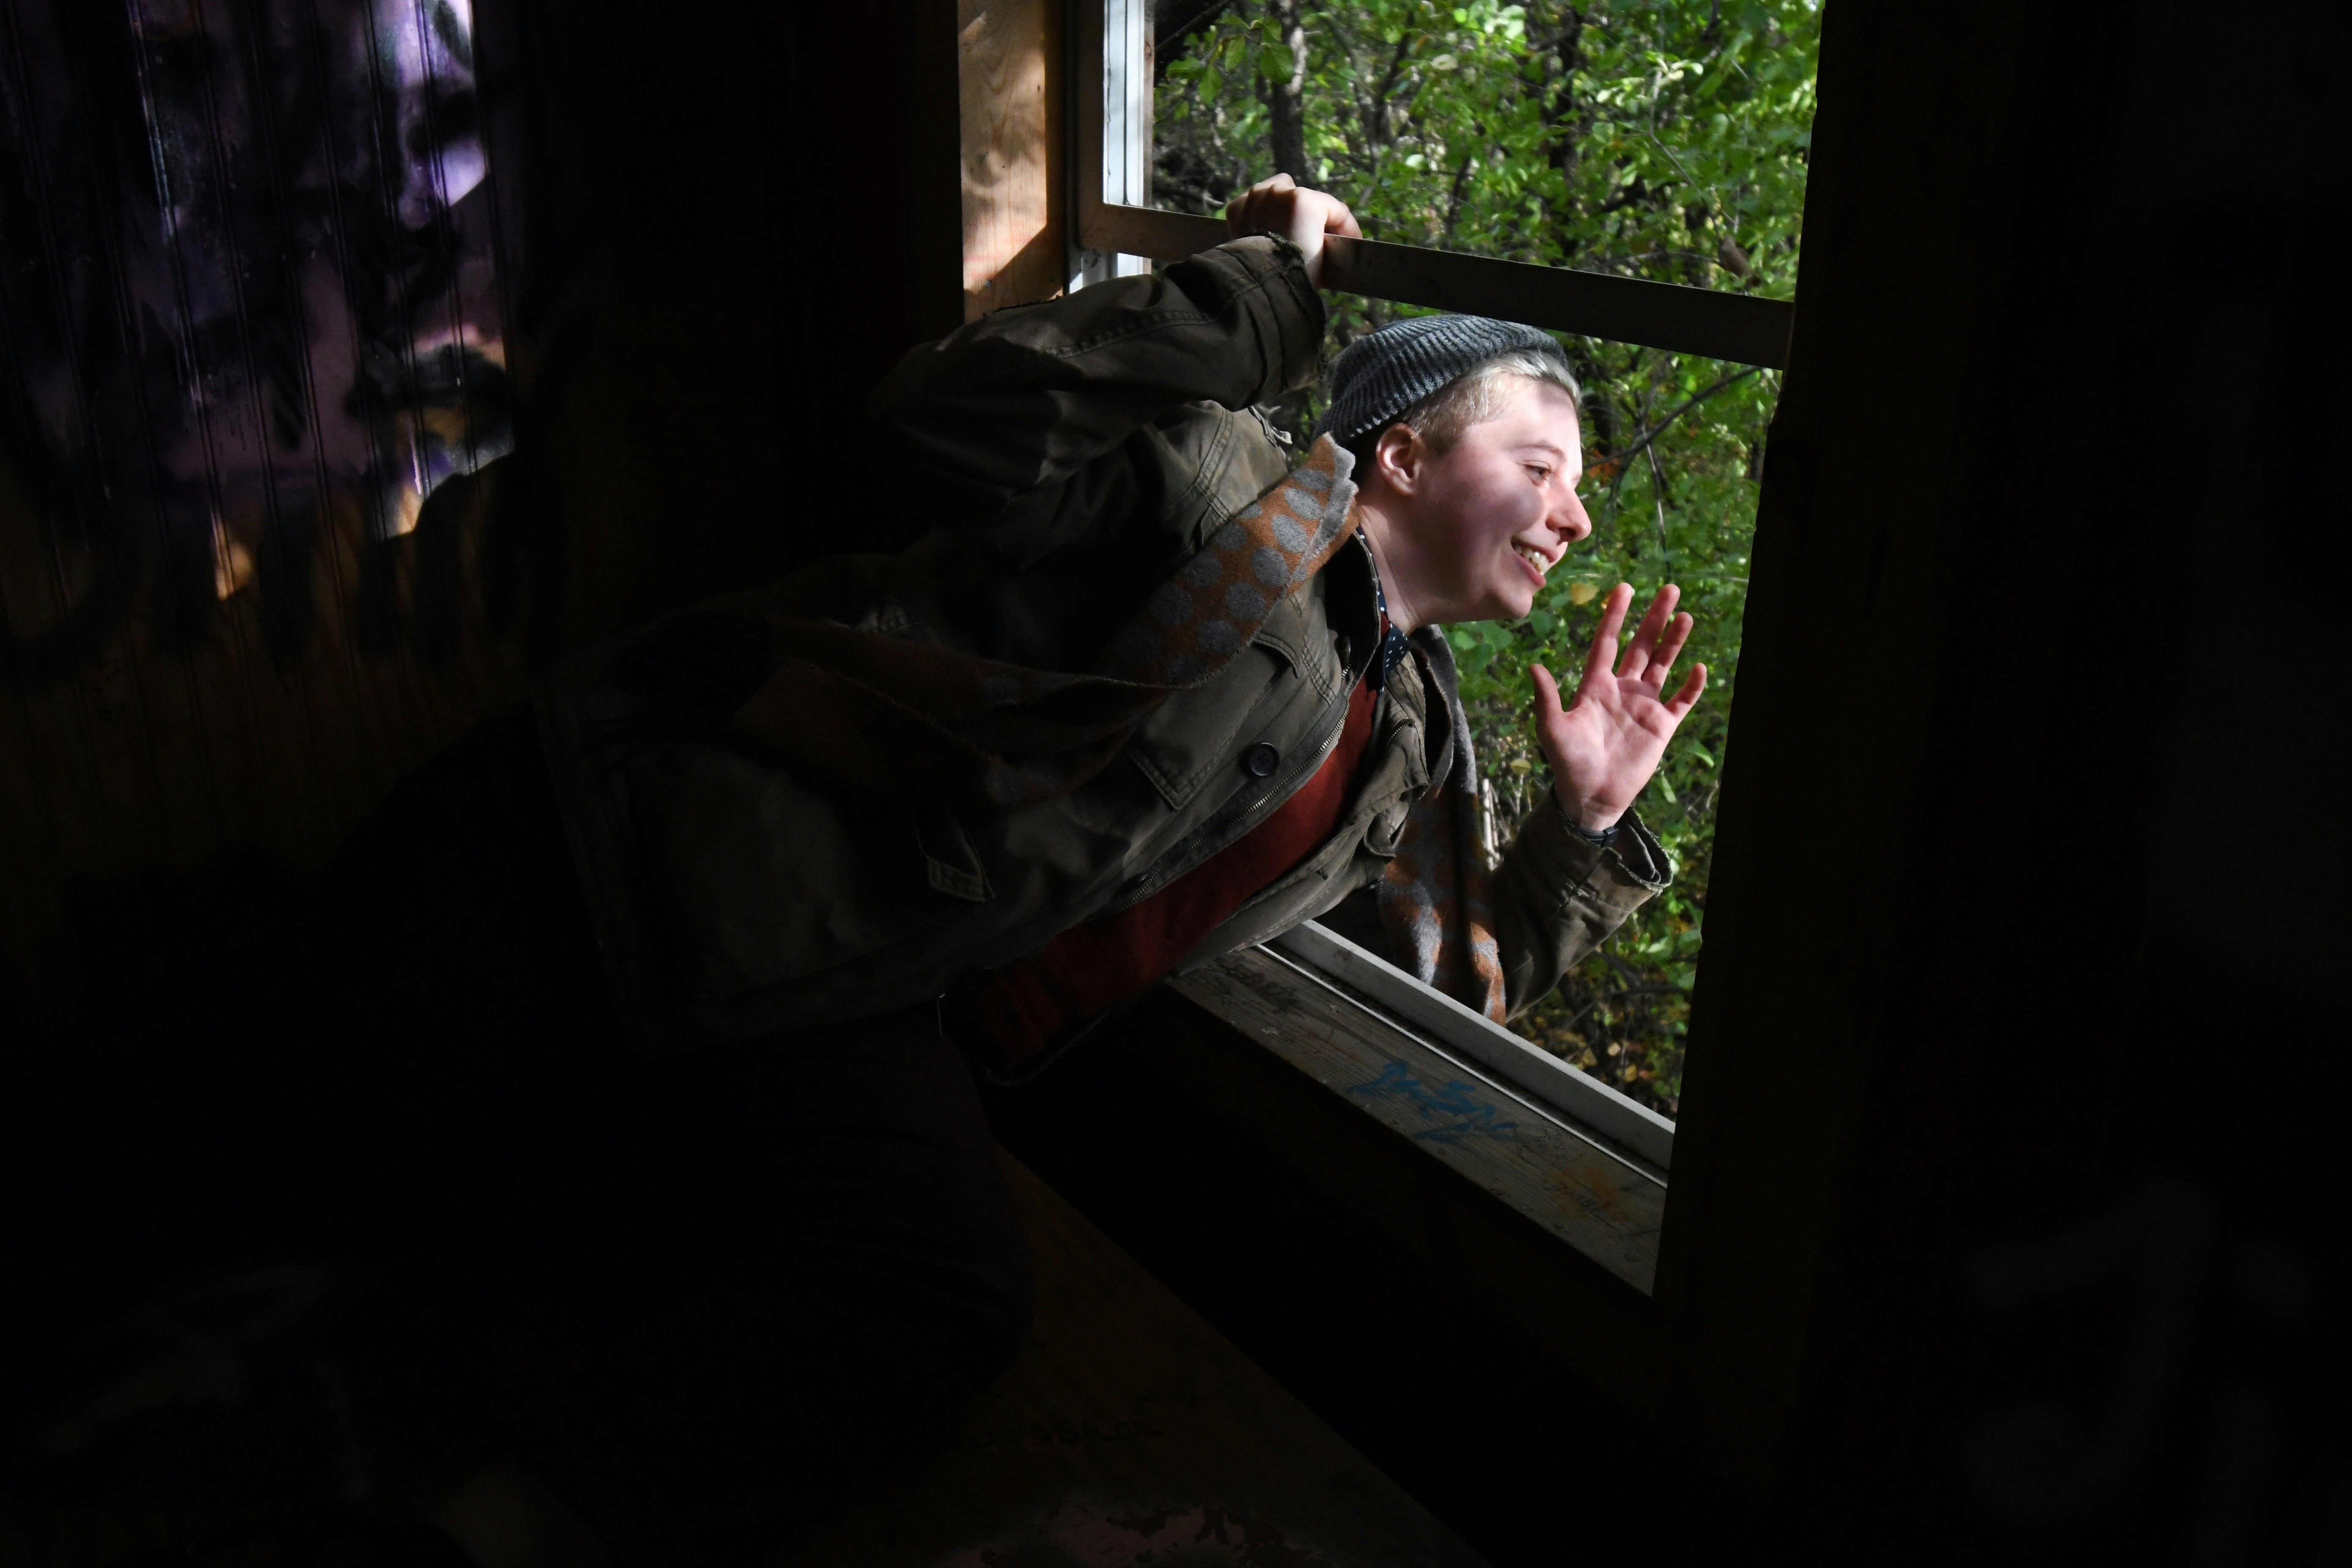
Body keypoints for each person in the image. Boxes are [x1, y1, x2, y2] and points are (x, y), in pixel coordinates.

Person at [324, 176, 1707, 1564]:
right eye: (1542, 471)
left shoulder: (1400, 737)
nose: (1575, 520)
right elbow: (945, 414)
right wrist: (1260, 292)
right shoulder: (1230, 485)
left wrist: (1579, 829)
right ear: (1403, 456)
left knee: (929, 1295)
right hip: (640, 837)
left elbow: (1445, 982)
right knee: (301, 1163)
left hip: (850, 985)